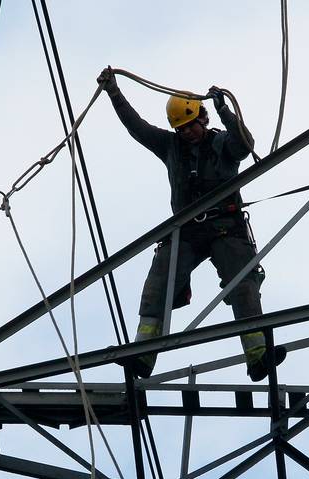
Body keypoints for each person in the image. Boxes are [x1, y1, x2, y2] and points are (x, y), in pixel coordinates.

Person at [97, 67, 285, 382]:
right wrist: (114, 93)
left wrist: (225, 110)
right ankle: (142, 356)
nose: (187, 133)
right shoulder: (171, 147)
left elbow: (243, 143)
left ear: (202, 119)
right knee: (158, 285)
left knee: (243, 284)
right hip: (186, 232)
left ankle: (258, 356)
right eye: (181, 128)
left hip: (226, 226)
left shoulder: (222, 144)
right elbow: (137, 127)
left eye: (190, 126)